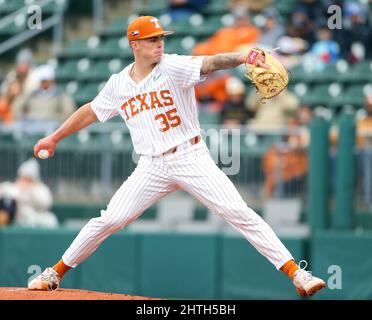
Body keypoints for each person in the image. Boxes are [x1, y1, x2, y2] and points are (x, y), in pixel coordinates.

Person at [28, 15, 325, 296]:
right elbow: (91, 111)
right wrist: (55, 138)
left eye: (161, 37)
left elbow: (212, 62)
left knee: (238, 212)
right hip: (151, 166)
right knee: (110, 220)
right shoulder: (118, 84)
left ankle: (296, 274)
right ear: (135, 45)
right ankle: (55, 272)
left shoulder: (173, 66)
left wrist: (242, 57)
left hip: (190, 155)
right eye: (152, 39)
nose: (160, 43)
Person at [0, 159, 59, 228]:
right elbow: (6, 192)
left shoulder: (40, 188)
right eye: (24, 177)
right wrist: (20, 190)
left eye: (29, 178)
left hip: (38, 218)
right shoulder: (13, 186)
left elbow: (46, 203)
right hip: (19, 221)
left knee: (51, 220)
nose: (26, 180)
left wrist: (31, 189)